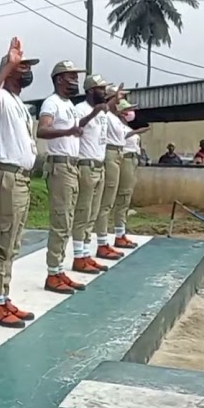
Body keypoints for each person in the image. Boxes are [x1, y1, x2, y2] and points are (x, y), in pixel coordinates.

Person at [0, 38, 41, 319]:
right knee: (3, 240)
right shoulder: (0, 98)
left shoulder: (18, 103)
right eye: (22, 65)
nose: (27, 70)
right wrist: (5, 68)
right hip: (6, 176)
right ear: (9, 69)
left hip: (21, 179)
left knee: (13, 241)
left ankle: (4, 297)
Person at [38, 60, 102, 286]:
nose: (75, 80)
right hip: (60, 166)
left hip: (71, 166)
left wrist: (91, 116)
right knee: (61, 220)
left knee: (69, 218)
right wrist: (68, 130)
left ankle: (58, 269)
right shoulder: (51, 103)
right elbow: (42, 129)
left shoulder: (68, 105)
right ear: (58, 79)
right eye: (71, 76)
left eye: (76, 76)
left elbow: (76, 126)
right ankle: (52, 272)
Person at [70, 75, 114, 272]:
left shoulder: (103, 112)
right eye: (100, 88)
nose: (104, 92)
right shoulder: (81, 109)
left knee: (93, 212)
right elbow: (76, 127)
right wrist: (93, 114)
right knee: (83, 211)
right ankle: (78, 256)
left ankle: (86, 253)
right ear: (89, 90)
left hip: (100, 164)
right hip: (86, 165)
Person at [93, 83, 130, 261]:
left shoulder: (115, 118)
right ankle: (102, 242)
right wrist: (114, 96)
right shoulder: (105, 115)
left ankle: (106, 240)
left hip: (117, 154)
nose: (122, 101)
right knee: (106, 202)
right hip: (109, 153)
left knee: (112, 199)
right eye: (119, 98)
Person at [111, 100, 148, 250]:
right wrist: (137, 132)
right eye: (128, 110)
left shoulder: (125, 126)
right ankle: (119, 233)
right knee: (123, 195)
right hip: (124, 159)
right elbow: (120, 138)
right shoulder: (117, 125)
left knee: (126, 197)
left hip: (132, 159)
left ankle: (121, 231)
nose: (131, 113)